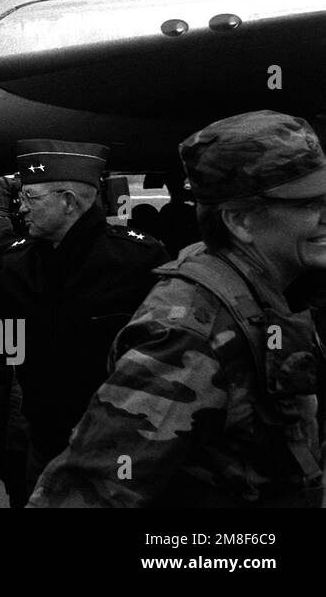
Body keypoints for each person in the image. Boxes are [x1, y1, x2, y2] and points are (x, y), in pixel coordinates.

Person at [31, 111, 326, 507]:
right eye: (310, 203)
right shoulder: (189, 334)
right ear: (240, 221)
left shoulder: (273, 287)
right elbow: (84, 495)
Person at [0, 140, 168, 504]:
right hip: (45, 446)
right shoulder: (21, 264)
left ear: (69, 202)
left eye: (31, 198)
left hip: (120, 450)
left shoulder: (138, 260)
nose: (20, 207)